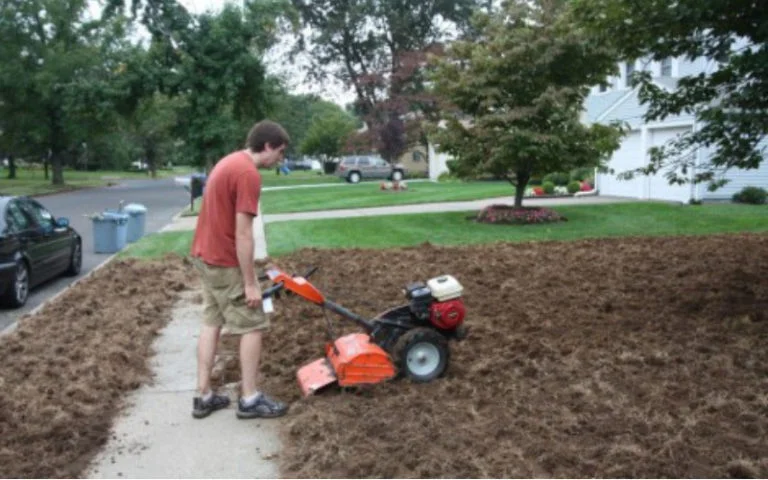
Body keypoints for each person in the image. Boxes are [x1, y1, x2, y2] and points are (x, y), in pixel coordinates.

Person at [189, 120, 289, 419]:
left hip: (203, 255)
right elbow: (244, 233)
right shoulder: (248, 173)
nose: (280, 159)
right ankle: (249, 399)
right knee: (254, 324)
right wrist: (250, 283)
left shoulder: (229, 161)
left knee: (212, 321)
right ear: (268, 146)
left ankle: (203, 395)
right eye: (280, 152)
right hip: (222, 261)